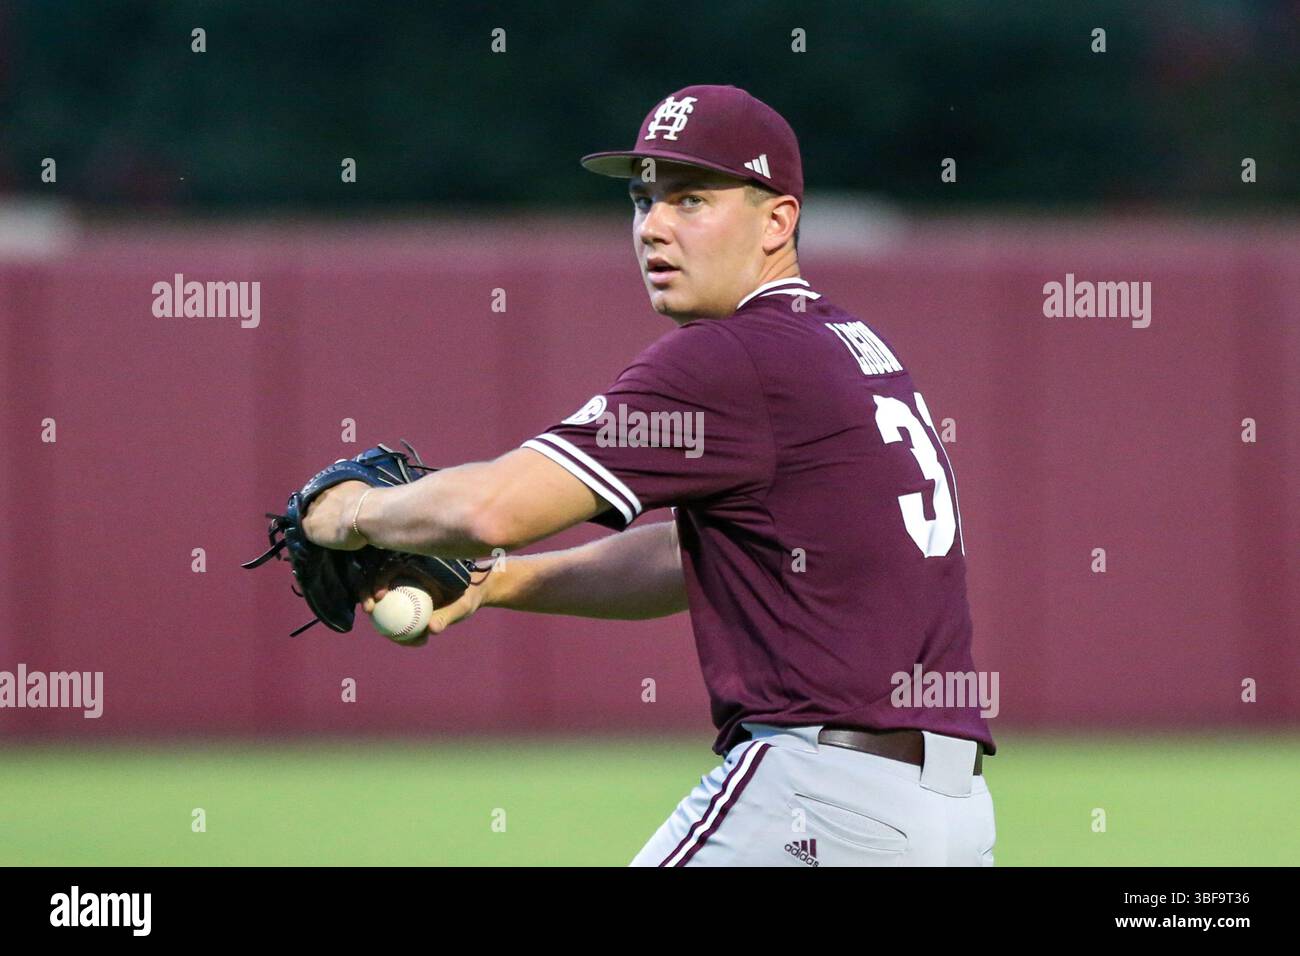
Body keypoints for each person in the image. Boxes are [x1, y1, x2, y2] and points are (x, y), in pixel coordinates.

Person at [303, 84, 996, 866]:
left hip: (822, 793)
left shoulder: (730, 356)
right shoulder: (847, 345)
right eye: (642, 200)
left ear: (777, 221)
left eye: (691, 199)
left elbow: (494, 507)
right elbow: (691, 556)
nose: (654, 228)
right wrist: (496, 587)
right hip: (945, 809)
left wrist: (351, 512)